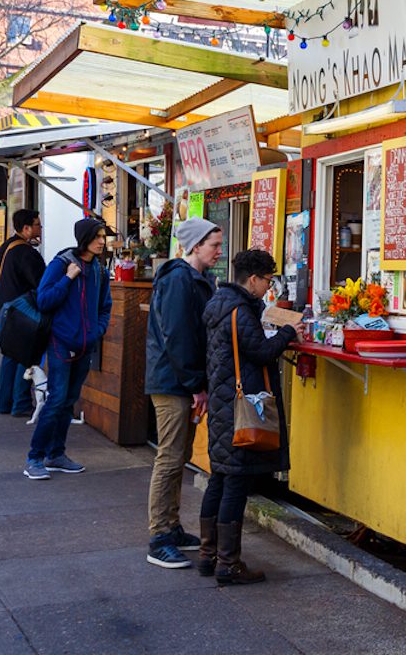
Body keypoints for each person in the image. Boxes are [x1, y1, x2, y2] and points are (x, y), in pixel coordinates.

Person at [199, 249, 302, 585]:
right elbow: (260, 351)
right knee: (236, 481)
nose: (268, 286)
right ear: (253, 279)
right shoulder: (240, 310)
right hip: (240, 409)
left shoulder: (219, 303)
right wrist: (290, 332)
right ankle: (228, 565)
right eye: (267, 280)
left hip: (222, 403)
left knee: (220, 477)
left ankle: (208, 555)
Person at [144, 218, 222, 569]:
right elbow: (178, 336)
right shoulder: (179, 279)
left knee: (178, 456)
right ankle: (159, 536)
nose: (218, 251)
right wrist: (195, 385)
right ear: (194, 246)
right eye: (214, 245)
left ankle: (172, 528)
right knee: (170, 457)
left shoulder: (198, 279)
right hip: (173, 382)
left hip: (181, 380)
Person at [22, 218, 112, 480]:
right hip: (60, 344)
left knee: (69, 402)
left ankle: (56, 454)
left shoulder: (99, 270)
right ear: (84, 238)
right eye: (97, 236)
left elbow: (105, 306)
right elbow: (44, 300)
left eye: (103, 236)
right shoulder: (62, 264)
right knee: (56, 400)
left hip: (86, 344)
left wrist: (98, 330)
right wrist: (68, 279)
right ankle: (34, 458)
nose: (102, 241)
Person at [0, 209, 45, 417]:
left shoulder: (7, 247)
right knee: (25, 357)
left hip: (4, 311)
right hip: (22, 315)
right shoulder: (26, 253)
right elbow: (41, 284)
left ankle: (5, 403)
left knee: (9, 357)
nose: (40, 228)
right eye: (38, 225)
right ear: (26, 228)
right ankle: (21, 403)